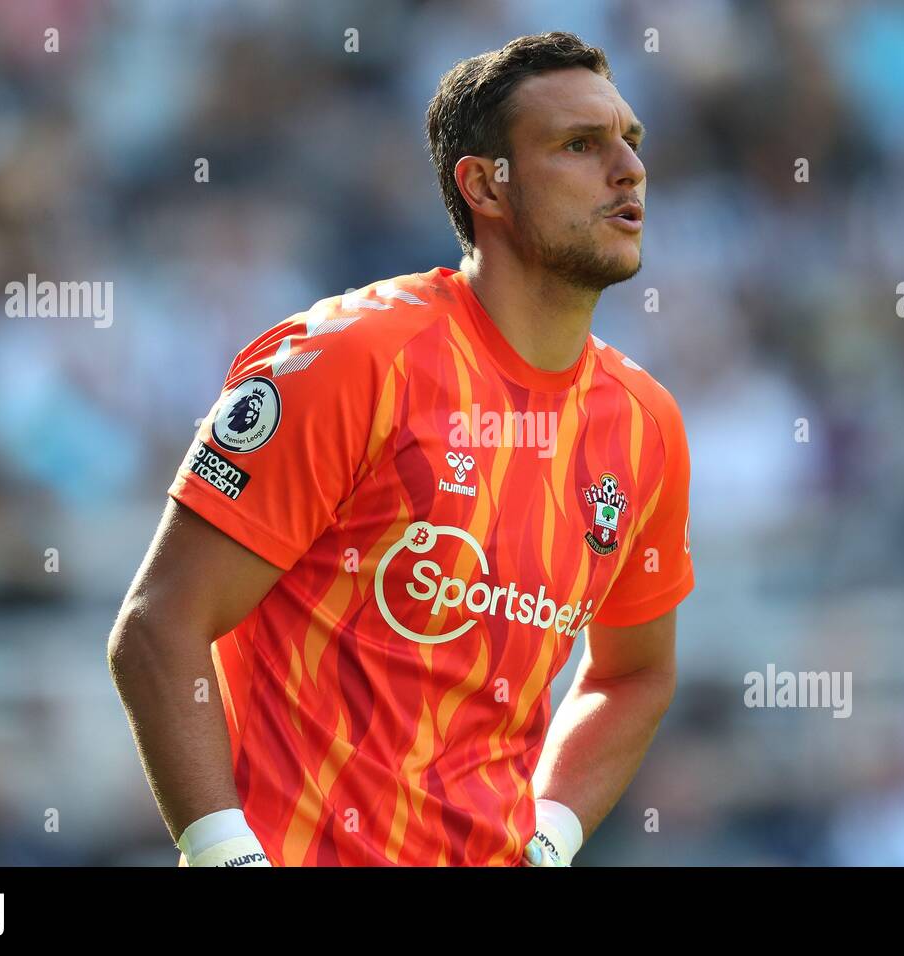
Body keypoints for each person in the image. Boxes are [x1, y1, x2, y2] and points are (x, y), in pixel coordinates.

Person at [108, 31, 692, 867]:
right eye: (579, 145)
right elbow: (158, 626)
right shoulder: (350, 359)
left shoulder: (646, 425)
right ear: (485, 184)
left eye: (629, 141)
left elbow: (634, 673)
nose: (628, 169)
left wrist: (553, 835)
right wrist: (227, 857)